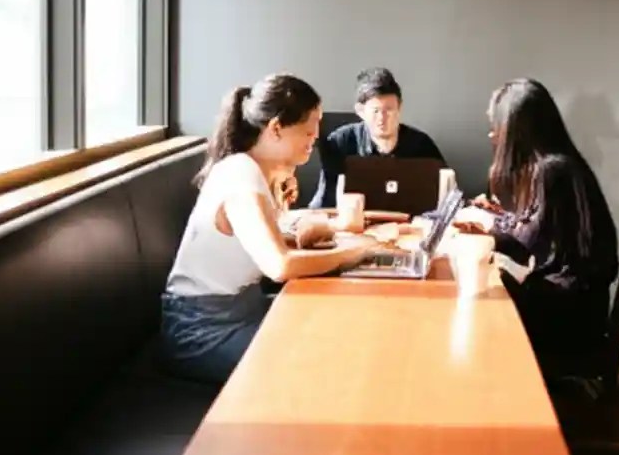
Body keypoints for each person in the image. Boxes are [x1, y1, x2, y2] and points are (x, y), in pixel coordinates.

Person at [160, 74, 376, 385]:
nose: (317, 135)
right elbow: (279, 265)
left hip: (241, 311)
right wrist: (355, 252)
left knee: (342, 328)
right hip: (203, 329)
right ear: (276, 128)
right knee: (330, 358)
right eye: (309, 126)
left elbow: (259, 244)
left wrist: (306, 233)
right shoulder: (240, 173)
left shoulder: (255, 172)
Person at [455, 79, 619, 390]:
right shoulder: (557, 165)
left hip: (571, 317)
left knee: (483, 307)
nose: (493, 135)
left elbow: (527, 241)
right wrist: (496, 218)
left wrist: (488, 223)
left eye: (497, 126)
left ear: (517, 129)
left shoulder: (553, 171)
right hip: (575, 304)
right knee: (487, 295)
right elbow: (536, 231)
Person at [307, 67, 446, 209]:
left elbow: (447, 196)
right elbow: (324, 201)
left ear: (399, 108)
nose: (382, 118)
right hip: (356, 226)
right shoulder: (340, 143)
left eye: (389, 110)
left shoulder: (421, 145)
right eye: (375, 111)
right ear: (360, 111)